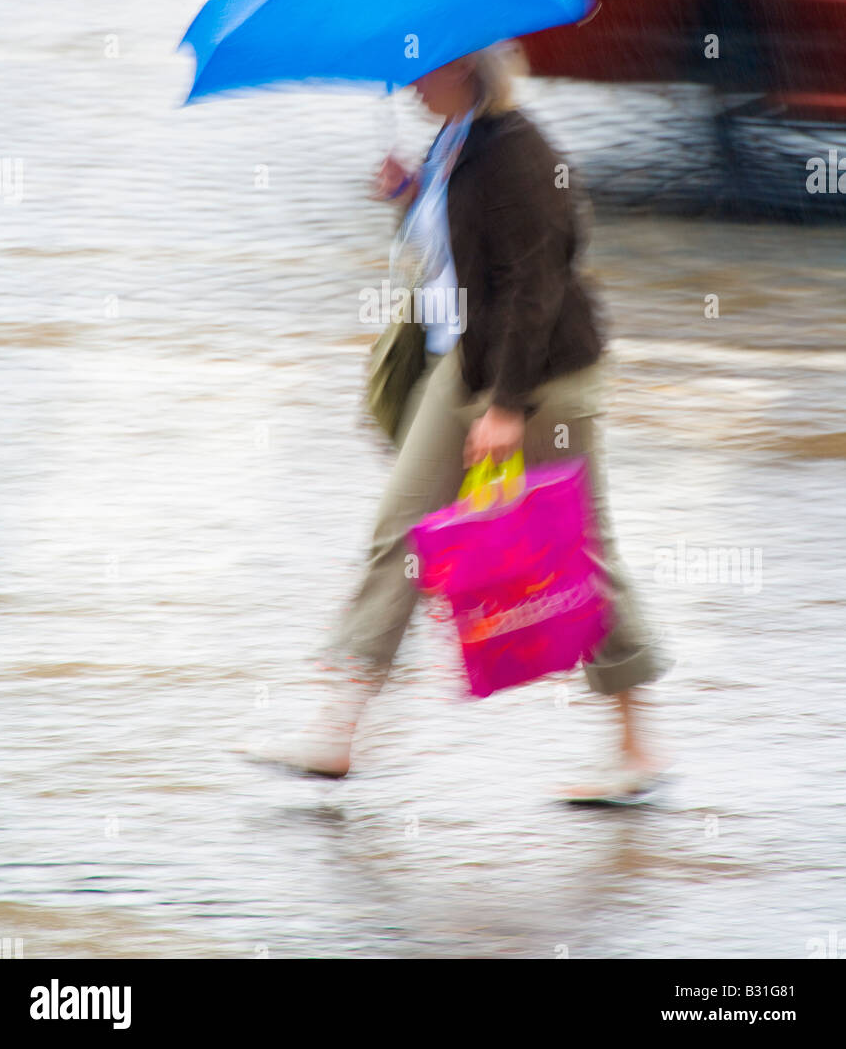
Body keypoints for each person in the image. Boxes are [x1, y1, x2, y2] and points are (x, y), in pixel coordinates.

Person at [244, 45, 671, 803]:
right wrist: (411, 196)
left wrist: (508, 408)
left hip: (540, 376)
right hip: (462, 362)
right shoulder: (455, 144)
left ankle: (639, 748)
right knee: (401, 532)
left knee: (580, 554)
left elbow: (534, 286)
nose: (409, 82)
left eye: (423, 67)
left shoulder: (519, 154)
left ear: (467, 68)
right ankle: (336, 731)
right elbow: (463, 258)